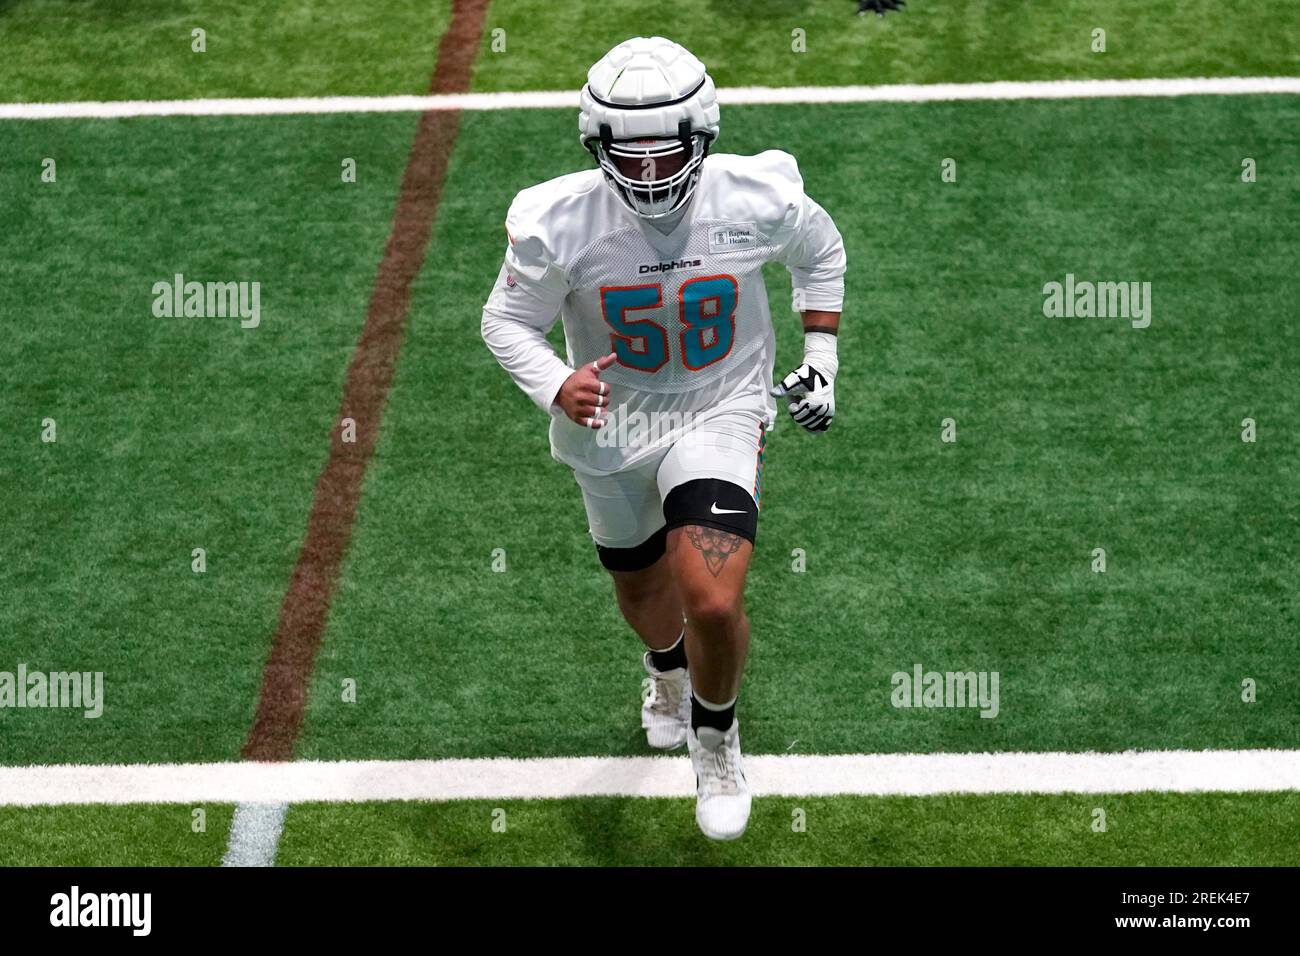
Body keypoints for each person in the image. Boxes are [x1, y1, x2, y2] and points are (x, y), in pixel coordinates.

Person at [481, 36, 846, 840]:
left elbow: (820, 252)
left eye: (665, 154)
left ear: (703, 137)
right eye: (630, 157)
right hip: (615, 423)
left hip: (720, 408)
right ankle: (665, 669)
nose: (649, 174)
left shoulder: (755, 195)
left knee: (712, 598)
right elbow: (505, 319)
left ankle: (716, 741)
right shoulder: (558, 219)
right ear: (596, 146)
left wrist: (822, 358)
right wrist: (554, 382)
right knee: (645, 599)